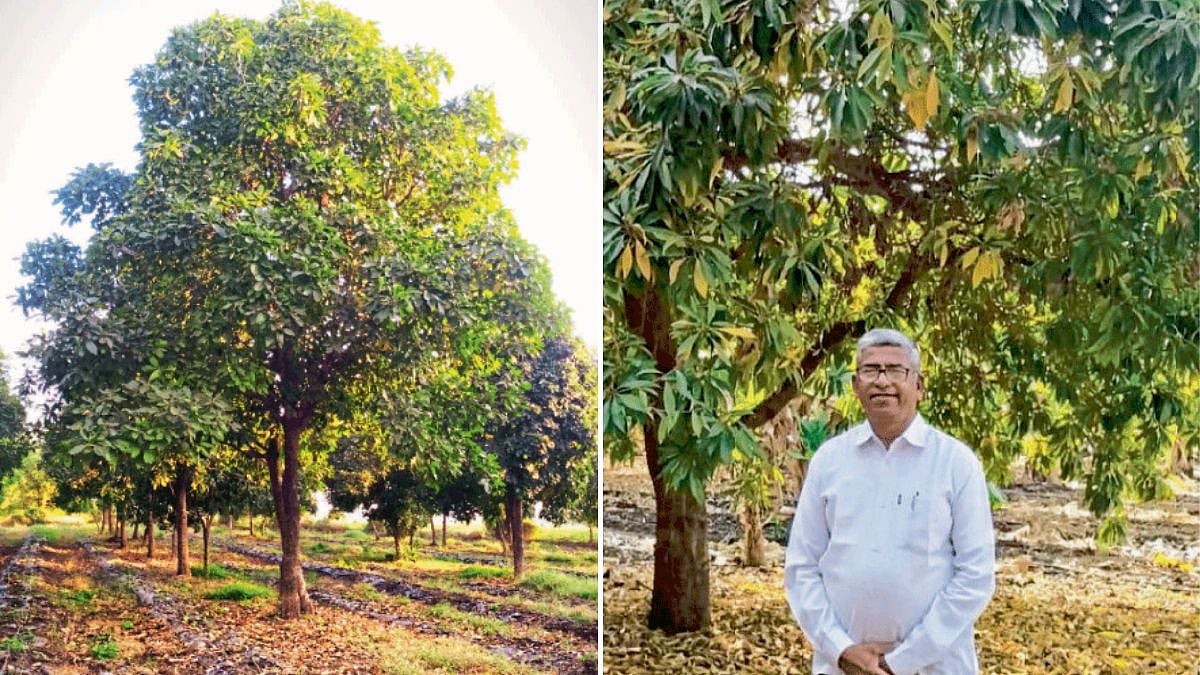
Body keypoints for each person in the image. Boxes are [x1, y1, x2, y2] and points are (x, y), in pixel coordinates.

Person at [784, 328, 995, 675]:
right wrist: (841, 648)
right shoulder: (829, 461)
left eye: (896, 370)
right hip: (843, 666)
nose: (882, 381)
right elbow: (802, 567)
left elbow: (976, 576)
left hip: (935, 666)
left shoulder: (955, 462)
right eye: (871, 370)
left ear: (919, 386)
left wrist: (900, 662)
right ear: (855, 385)